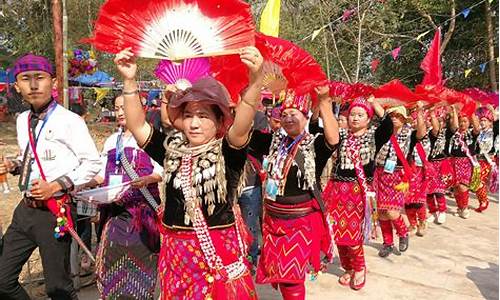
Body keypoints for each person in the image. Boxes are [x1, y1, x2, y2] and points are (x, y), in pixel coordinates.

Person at [114, 46, 264, 299]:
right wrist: (129, 80)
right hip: (175, 255)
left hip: (216, 253)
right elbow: (137, 124)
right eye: (188, 115)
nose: (194, 123)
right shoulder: (172, 151)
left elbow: (245, 116)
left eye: (203, 115)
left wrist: (256, 78)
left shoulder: (229, 152)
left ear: (219, 121)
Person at [0, 53, 101, 300]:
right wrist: (13, 164)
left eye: (40, 78)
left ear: (53, 82)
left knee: (58, 289)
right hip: (25, 211)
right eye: (25, 79)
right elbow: (30, 159)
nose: (33, 85)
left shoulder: (70, 121)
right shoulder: (22, 119)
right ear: (17, 86)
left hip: (55, 211)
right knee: (3, 280)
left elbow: (93, 164)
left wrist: (55, 185)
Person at [254, 86, 338, 300]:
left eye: (294, 113)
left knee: (292, 276)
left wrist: (325, 102)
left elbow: (333, 140)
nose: (288, 118)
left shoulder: (313, 145)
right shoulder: (274, 143)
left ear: (305, 116)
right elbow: (243, 136)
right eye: (284, 114)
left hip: (300, 221)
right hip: (273, 220)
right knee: (280, 275)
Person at [89, 95, 163, 299]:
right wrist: (84, 186)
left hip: (142, 216)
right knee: (111, 262)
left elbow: (161, 171)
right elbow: (101, 174)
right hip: (114, 213)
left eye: (125, 107)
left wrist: (147, 179)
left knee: (141, 265)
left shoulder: (152, 138)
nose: (121, 112)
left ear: (141, 109)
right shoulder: (112, 141)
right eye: (117, 108)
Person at [315, 96, 385, 290]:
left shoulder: (373, 137)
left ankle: (360, 268)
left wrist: (375, 104)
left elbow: (387, 125)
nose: (355, 118)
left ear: (368, 118)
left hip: (358, 192)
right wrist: (319, 105)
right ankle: (347, 268)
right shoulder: (341, 135)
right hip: (338, 190)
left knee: (353, 236)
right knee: (337, 233)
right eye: (352, 114)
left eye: (360, 115)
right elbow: (317, 131)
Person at [374, 105, 426, 258]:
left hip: (398, 176)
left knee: (392, 211)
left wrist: (421, 111)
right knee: (382, 213)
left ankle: (403, 232)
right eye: (392, 115)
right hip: (380, 174)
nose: (394, 117)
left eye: (398, 115)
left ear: (404, 118)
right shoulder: (382, 133)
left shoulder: (409, 135)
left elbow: (422, 133)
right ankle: (388, 243)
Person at [426, 106, 456, 225]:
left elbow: (454, 126)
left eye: (441, 121)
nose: (438, 123)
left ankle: (442, 211)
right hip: (428, 165)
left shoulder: (446, 133)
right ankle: (433, 211)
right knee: (428, 191)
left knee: (439, 190)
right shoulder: (426, 133)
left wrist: (453, 112)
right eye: (436, 120)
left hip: (441, 165)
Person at [449, 108, 480, 219]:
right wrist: (453, 110)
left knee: (463, 185)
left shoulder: (472, 133)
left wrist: (471, 111)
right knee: (456, 186)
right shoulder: (455, 133)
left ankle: (465, 207)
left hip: (466, 162)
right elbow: (454, 125)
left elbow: (477, 127)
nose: (462, 123)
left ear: (469, 123)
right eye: (461, 121)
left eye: (465, 121)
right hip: (454, 161)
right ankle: (460, 207)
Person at [473, 105, 498, 212]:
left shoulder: (494, 132)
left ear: (490, 122)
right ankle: (482, 200)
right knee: (475, 182)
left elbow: (497, 124)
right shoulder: (477, 132)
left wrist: (492, 110)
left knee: (479, 181)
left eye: (484, 120)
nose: (482, 122)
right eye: (481, 120)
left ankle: (484, 201)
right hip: (476, 160)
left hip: (488, 161)